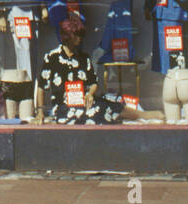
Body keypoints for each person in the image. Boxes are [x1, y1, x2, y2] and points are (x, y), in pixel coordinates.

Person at [35, 15, 163, 125]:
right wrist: (40, 111)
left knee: (109, 103)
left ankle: (142, 115)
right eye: (78, 35)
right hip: (64, 107)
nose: (80, 39)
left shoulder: (83, 58)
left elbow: (93, 82)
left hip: (84, 101)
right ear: (68, 36)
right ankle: (139, 116)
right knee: (96, 113)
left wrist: (90, 93)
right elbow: (41, 87)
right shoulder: (52, 58)